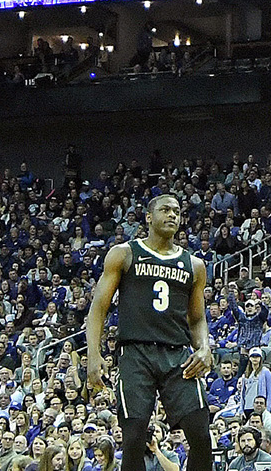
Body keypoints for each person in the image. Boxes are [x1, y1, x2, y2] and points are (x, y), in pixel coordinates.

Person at [84, 195, 214, 471]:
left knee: (201, 434)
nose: (172, 215)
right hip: (135, 354)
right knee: (133, 438)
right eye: (165, 210)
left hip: (177, 355)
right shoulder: (124, 253)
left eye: (177, 211)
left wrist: (204, 347)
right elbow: (98, 308)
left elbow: (197, 318)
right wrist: (93, 355)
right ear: (148, 217)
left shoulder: (195, 265)